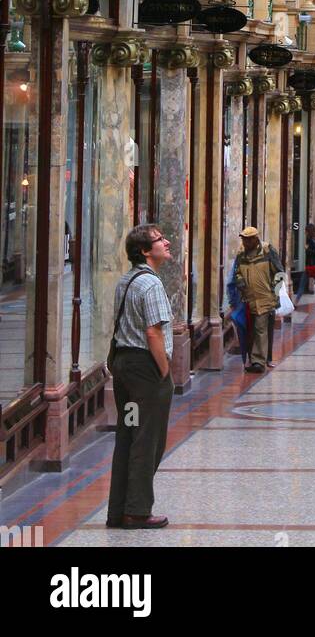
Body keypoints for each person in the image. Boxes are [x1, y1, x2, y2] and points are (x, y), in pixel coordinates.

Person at [106, 224, 175, 530]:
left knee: (129, 434)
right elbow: (153, 331)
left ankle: (119, 509)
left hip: (124, 368)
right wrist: (164, 371)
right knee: (148, 440)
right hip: (146, 371)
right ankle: (137, 510)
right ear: (146, 251)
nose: (167, 242)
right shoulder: (151, 285)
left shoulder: (126, 280)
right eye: (160, 240)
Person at [227, 226, 285, 372]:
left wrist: (275, 293)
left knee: (260, 328)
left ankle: (258, 362)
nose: (245, 242)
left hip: (265, 298)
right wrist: (240, 281)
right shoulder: (242, 254)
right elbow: (238, 271)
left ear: (255, 239)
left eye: (247, 239)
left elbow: (280, 273)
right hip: (248, 299)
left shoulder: (267, 251)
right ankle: (253, 359)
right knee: (249, 329)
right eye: (243, 239)